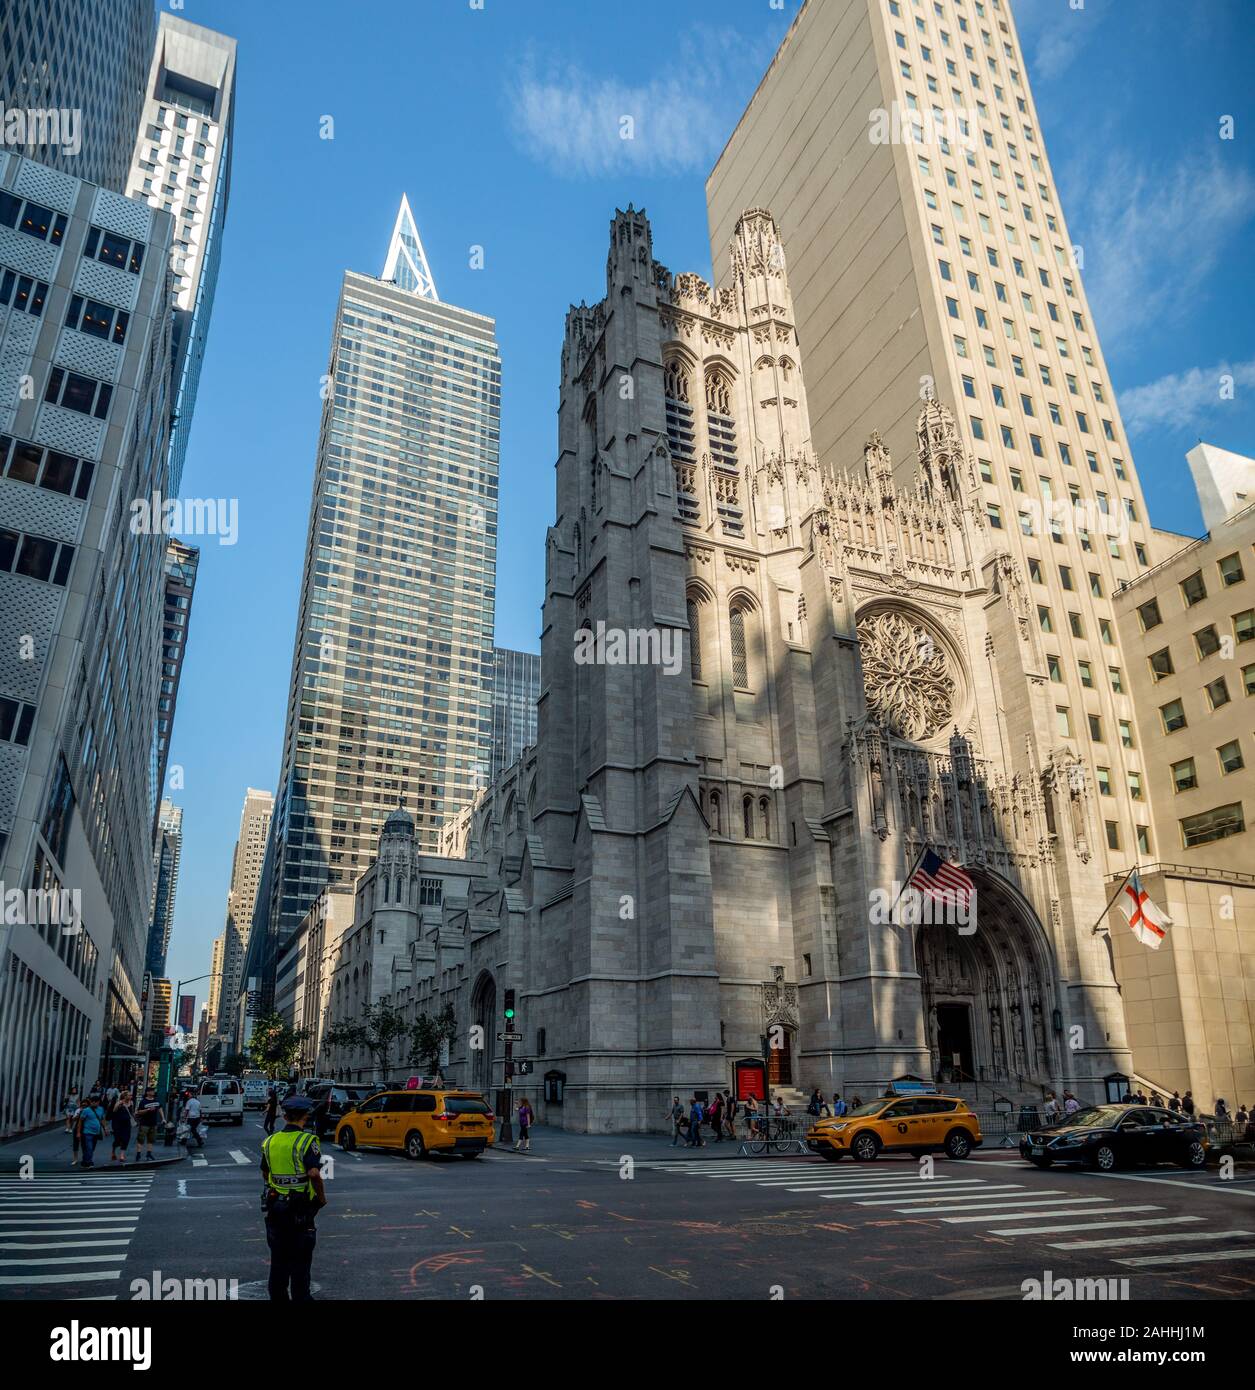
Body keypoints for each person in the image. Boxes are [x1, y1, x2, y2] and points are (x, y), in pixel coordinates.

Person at [260, 1095, 327, 1302]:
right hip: (300, 1210)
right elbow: (314, 1173)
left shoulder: (270, 1141)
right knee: (300, 1264)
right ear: (305, 1116)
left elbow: (265, 1172)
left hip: (276, 1208)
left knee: (278, 1262)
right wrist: (321, 1198)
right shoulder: (307, 1141)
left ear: (285, 1116)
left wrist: (277, 1185)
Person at [76, 1094, 106, 1168]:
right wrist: (78, 1132)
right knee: (89, 1148)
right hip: (87, 1132)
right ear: (92, 1102)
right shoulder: (86, 1110)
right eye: (95, 1102)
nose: (96, 1104)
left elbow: (102, 1119)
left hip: (96, 1132)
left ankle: (84, 1161)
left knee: (92, 1148)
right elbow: (80, 1121)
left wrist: (105, 1128)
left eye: (98, 1102)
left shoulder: (101, 1109)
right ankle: (89, 1162)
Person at [133, 1089, 163, 1161]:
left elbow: (160, 1108)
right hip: (144, 1123)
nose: (153, 1092)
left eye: (153, 1091)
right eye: (151, 1091)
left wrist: (163, 1118)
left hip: (153, 1123)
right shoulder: (143, 1101)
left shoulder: (156, 1101)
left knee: (151, 1139)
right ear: (147, 1092)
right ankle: (138, 1154)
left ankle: (149, 1154)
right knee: (141, 1139)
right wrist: (148, 1110)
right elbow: (139, 1112)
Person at [109, 1090, 134, 1164]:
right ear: (125, 1096)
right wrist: (119, 1105)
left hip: (127, 1123)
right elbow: (114, 1110)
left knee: (126, 1138)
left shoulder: (131, 1103)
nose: (131, 1096)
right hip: (118, 1123)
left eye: (131, 1095)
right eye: (129, 1095)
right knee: (117, 1138)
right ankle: (113, 1151)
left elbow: (132, 1112)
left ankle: (122, 1155)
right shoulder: (119, 1102)